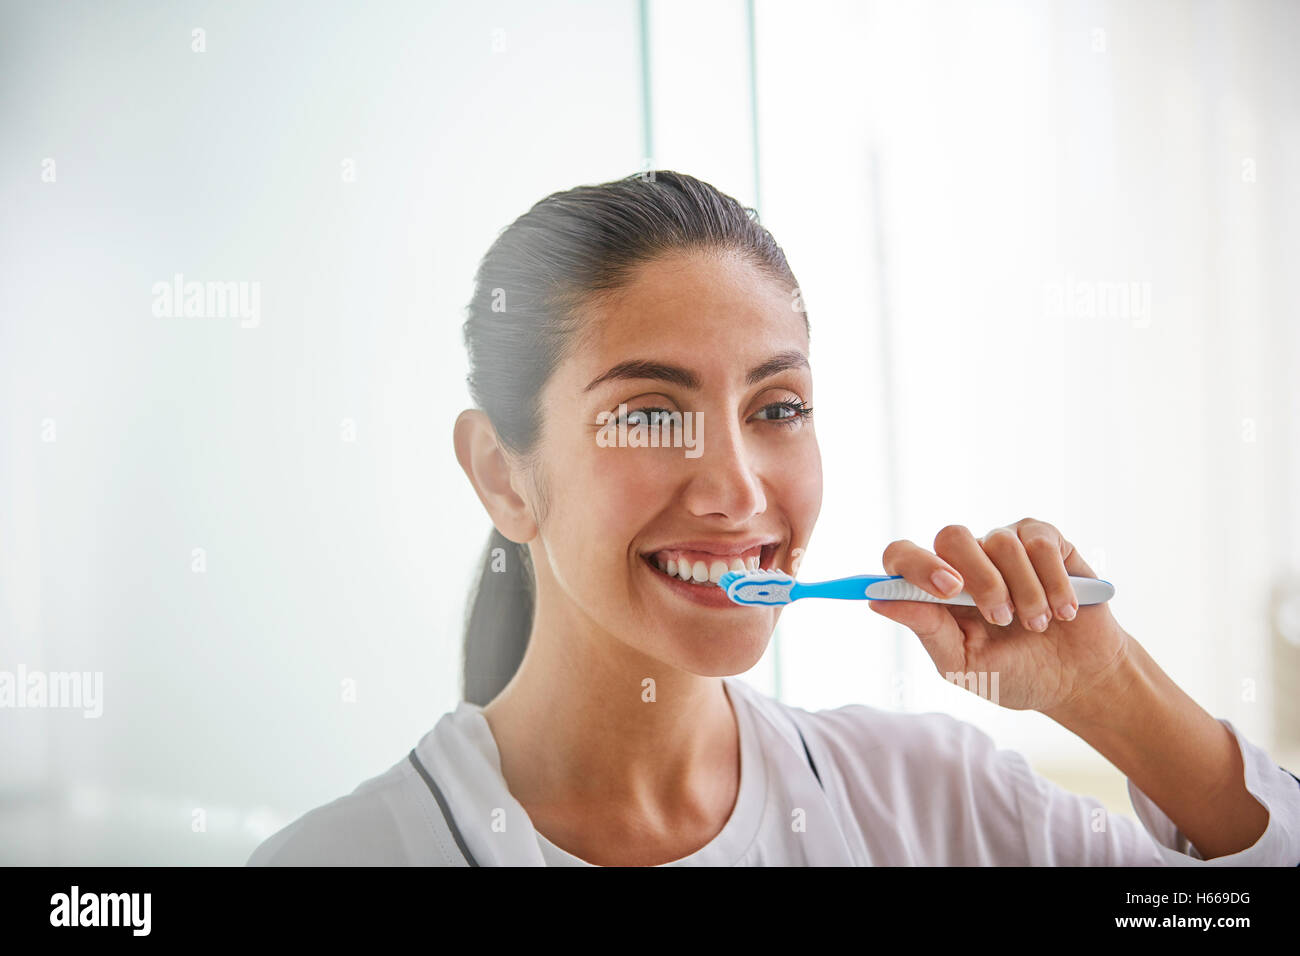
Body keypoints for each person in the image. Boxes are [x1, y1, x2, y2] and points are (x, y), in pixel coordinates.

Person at [248, 170, 1300, 866]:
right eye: (651, 413)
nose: (735, 486)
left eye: (777, 408)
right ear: (502, 474)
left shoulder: (935, 805)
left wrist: (1106, 689)